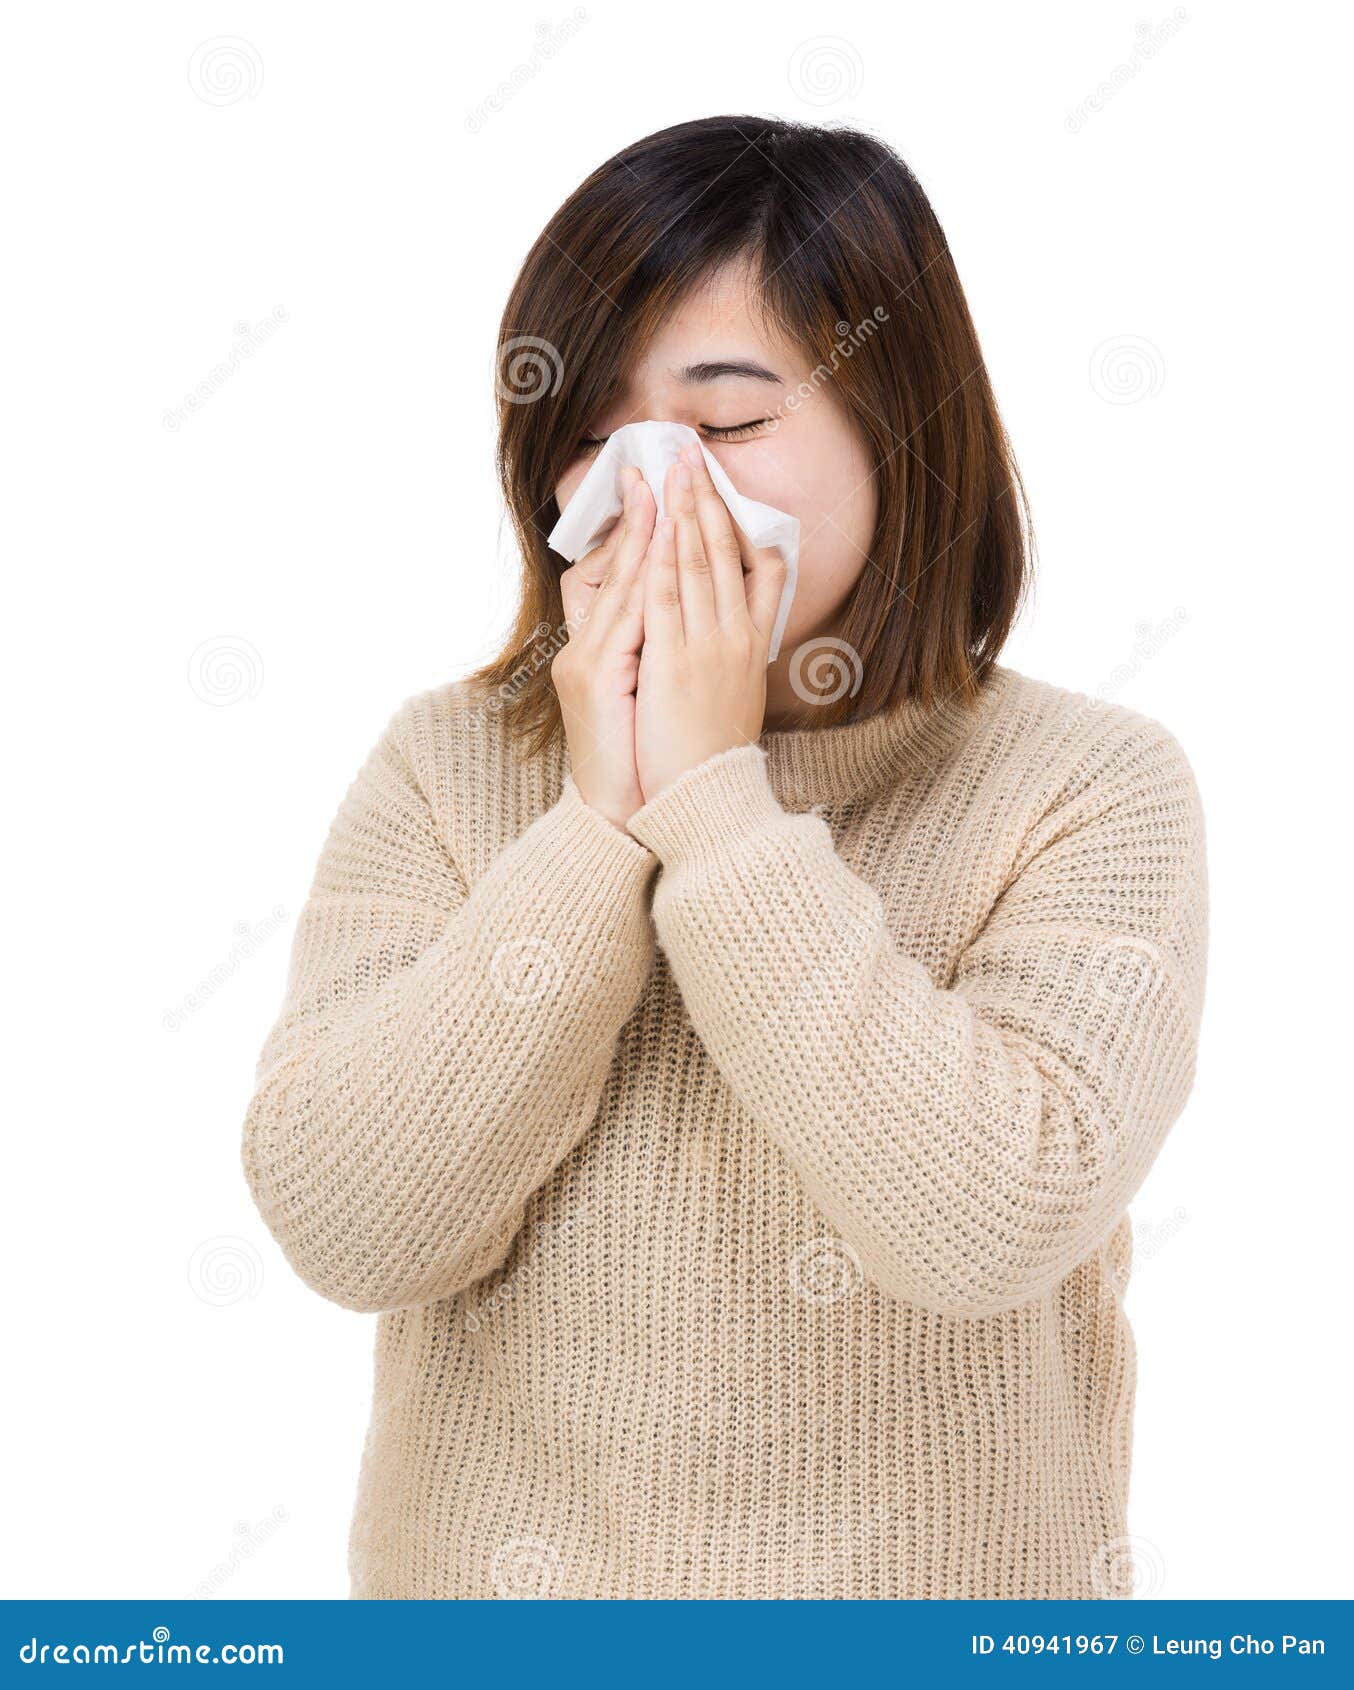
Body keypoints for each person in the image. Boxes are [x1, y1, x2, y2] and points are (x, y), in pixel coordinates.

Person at [242, 115, 1207, 1600]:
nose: (651, 484)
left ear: (900, 428)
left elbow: (981, 1224)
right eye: (593, 427)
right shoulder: (443, 764)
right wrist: (595, 826)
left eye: (730, 421)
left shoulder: (1084, 784)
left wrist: (712, 804)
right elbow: (351, 1226)